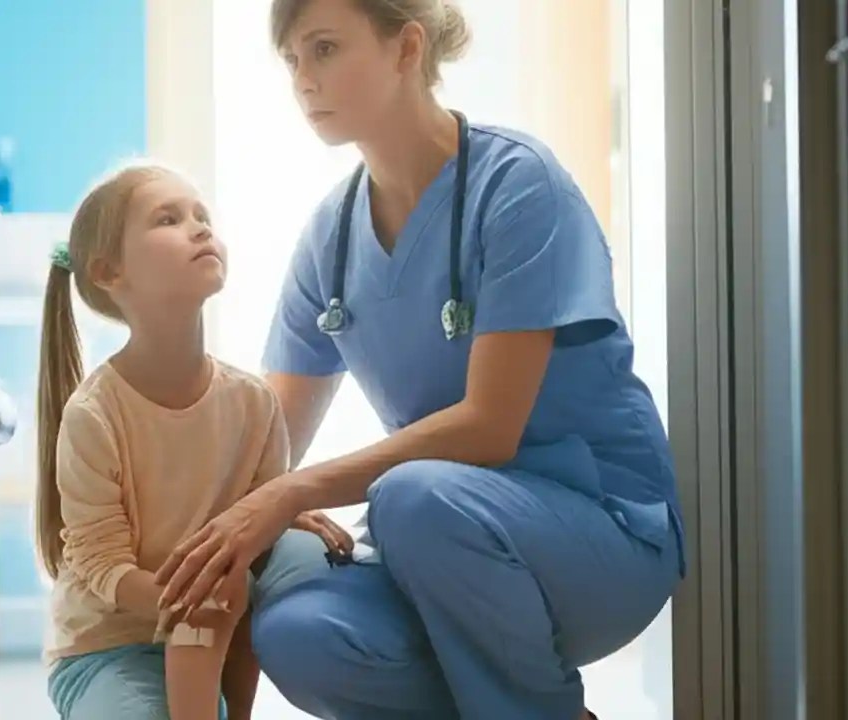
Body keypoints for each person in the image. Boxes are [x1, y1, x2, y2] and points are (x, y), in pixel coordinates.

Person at [153, 1, 687, 719]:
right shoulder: (331, 239)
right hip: (440, 546)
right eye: (291, 60)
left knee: (411, 497)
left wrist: (288, 495)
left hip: (599, 538)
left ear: (406, 49)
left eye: (325, 49)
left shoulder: (519, 187)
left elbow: (488, 430)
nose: (303, 80)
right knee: (299, 634)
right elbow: (265, 447)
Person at [35, 163, 352, 720]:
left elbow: (252, 524)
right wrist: (190, 607)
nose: (200, 228)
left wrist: (286, 513)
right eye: (169, 218)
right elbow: (103, 565)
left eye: (202, 216)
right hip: (108, 649)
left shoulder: (253, 405)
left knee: (300, 549)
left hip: (210, 634)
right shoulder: (95, 415)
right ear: (109, 272)